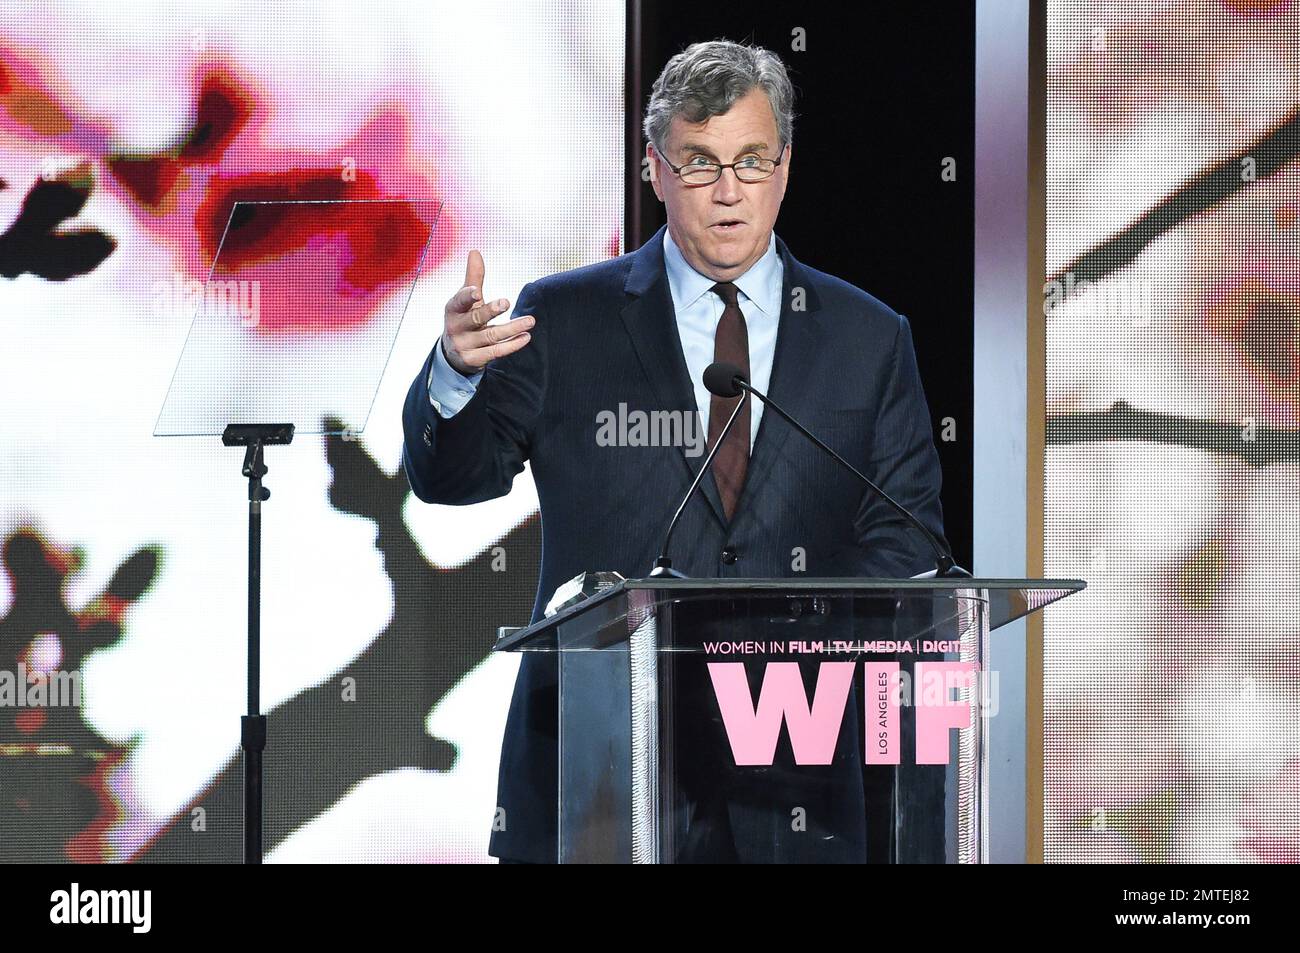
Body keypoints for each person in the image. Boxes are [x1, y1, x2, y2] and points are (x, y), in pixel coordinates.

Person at [402, 39, 948, 863]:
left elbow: (907, 542)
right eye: (699, 163)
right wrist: (452, 375)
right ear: (655, 170)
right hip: (595, 776)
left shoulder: (868, 336)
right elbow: (453, 479)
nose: (729, 192)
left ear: (786, 166)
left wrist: (771, 647)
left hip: (791, 778)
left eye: (752, 160)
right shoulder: (566, 319)